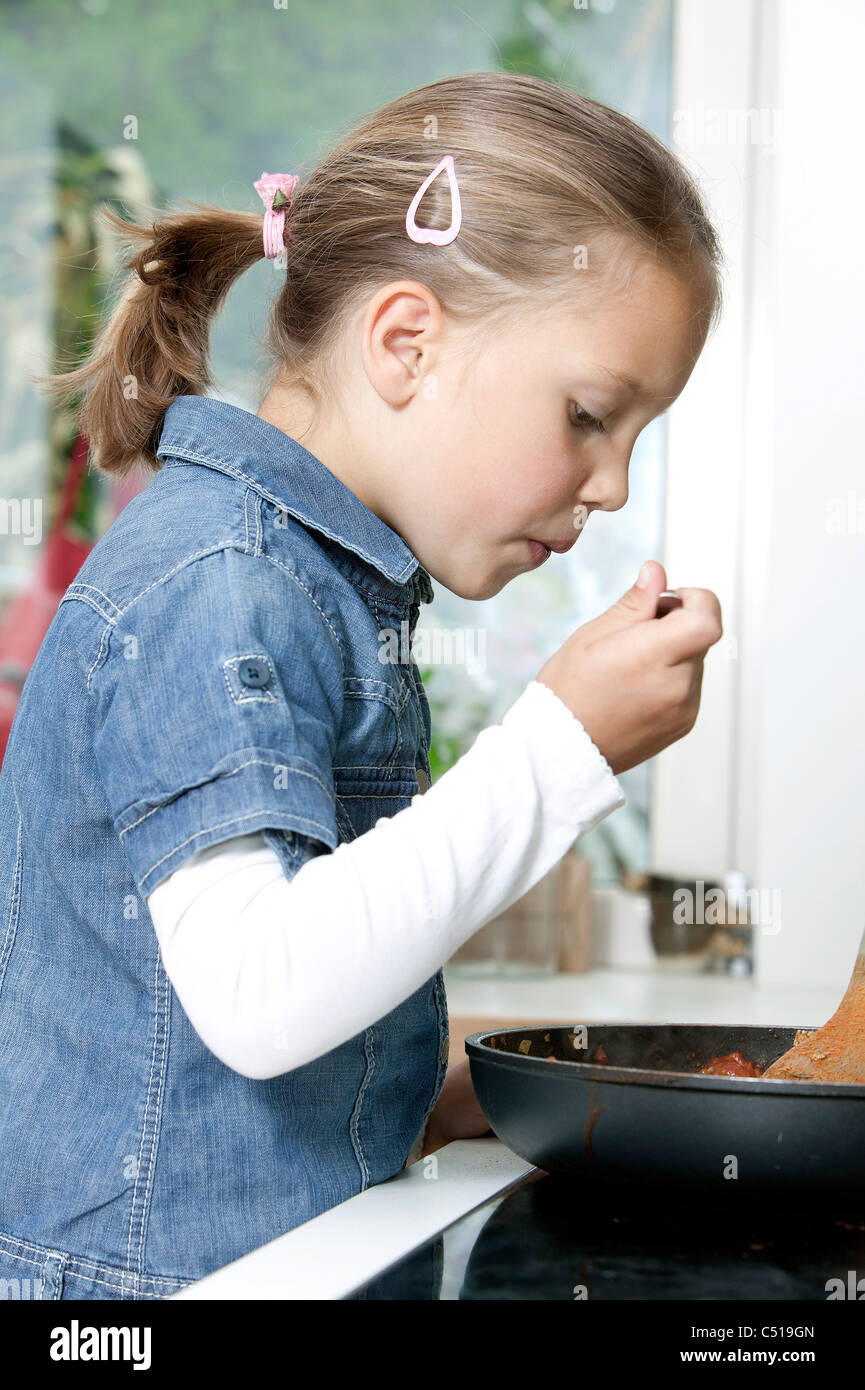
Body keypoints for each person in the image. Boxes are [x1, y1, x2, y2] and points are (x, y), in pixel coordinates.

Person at [0, 71, 723, 1300]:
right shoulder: (219, 582)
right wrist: (559, 747)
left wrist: (406, 1088)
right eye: (591, 415)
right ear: (405, 344)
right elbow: (259, 991)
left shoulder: (316, 584)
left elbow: (252, 1007)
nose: (611, 485)